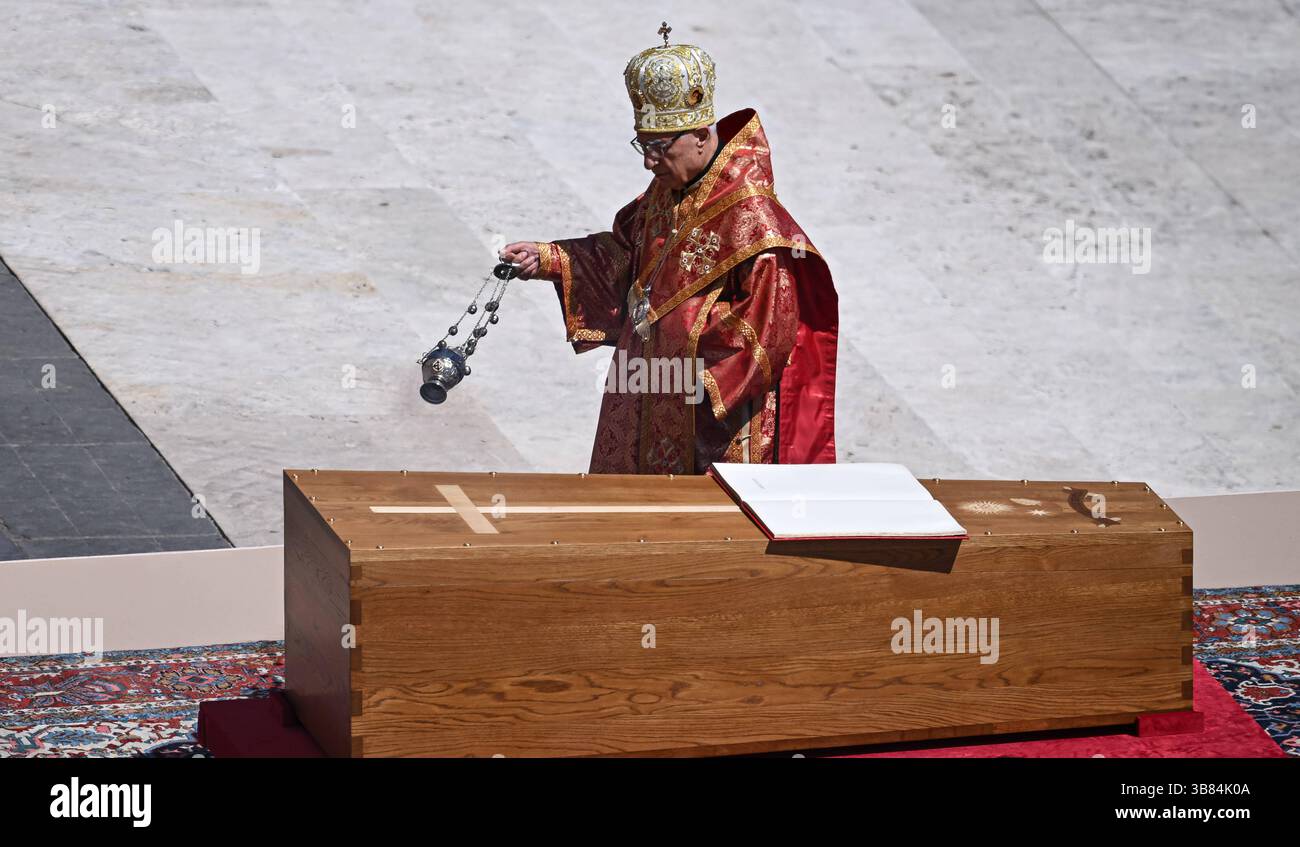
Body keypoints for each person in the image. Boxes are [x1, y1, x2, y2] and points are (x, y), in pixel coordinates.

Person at [502, 24, 838, 474]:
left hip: (705, 416)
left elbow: (767, 331)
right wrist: (550, 259)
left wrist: (678, 344)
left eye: (659, 147)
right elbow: (627, 254)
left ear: (701, 134)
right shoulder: (668, 189)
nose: (648, 161)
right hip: (645, 386)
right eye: (642, 145)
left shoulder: (755, 224)